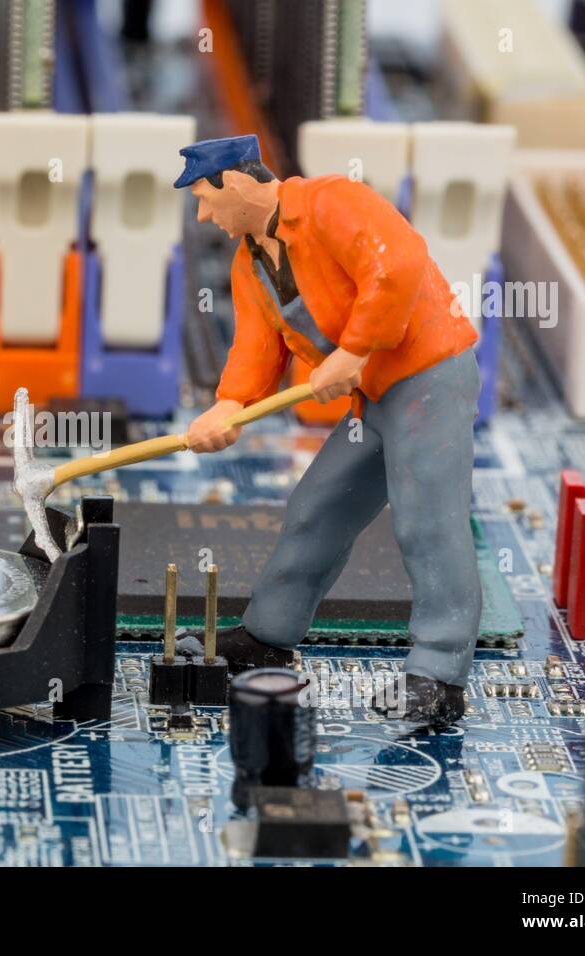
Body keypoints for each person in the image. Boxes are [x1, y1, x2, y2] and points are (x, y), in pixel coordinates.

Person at [174, 135, 481, 727]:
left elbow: (399, 262)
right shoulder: (250, 261)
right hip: (376, 397)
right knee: (318, 507)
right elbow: (257, 346)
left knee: (426, 522)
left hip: (427, 380)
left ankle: (439, 675)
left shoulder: (330, 202)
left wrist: (355, 348)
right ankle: (268, 635)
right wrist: (230, 405)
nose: (203, 215)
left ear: (236, 184)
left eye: (206, 199)